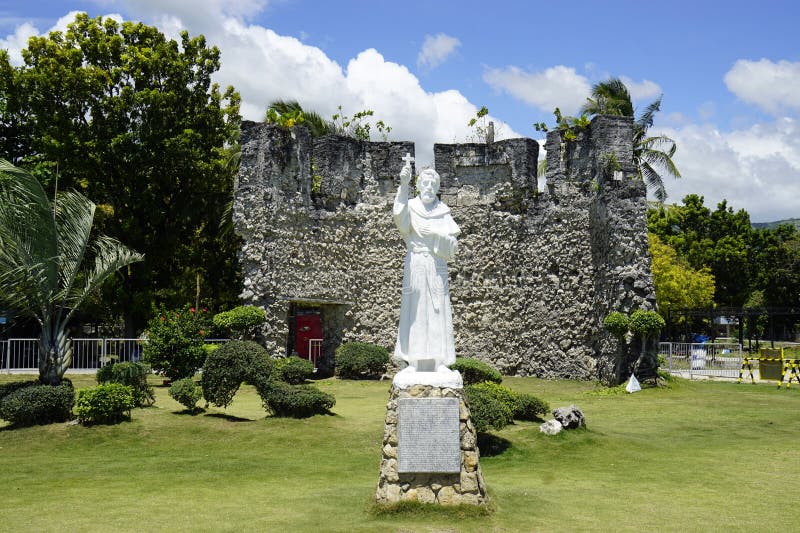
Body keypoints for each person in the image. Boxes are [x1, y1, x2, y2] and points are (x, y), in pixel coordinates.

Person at [393, 155, 460, 375]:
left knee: (437, 310)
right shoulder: (411, 206)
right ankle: (413, 361)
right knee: (415, 311)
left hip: (436, 266)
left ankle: (440, 362)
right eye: (425, 183)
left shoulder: (443, 211)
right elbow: (401, 222)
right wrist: (404, 186)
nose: (429, 187)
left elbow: (453, 246)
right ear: (419, 185)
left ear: (438, 188)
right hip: (416, 263)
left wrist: (437, 235)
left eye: (433, 184)